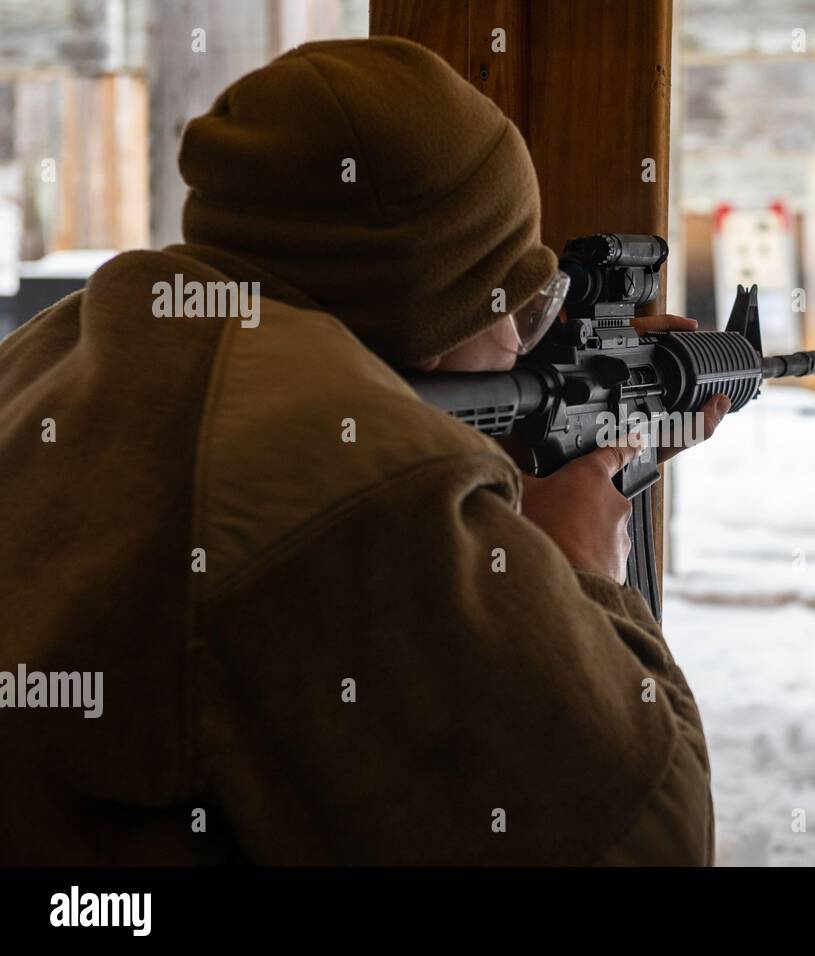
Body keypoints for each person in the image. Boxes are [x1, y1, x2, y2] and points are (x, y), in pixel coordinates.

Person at [0, 37, 724, 865]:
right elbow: (649, 836)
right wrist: (579, 567)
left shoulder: (63, 350)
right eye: (513, 301)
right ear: (430, 306)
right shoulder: (374, 487)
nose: (514, 340)